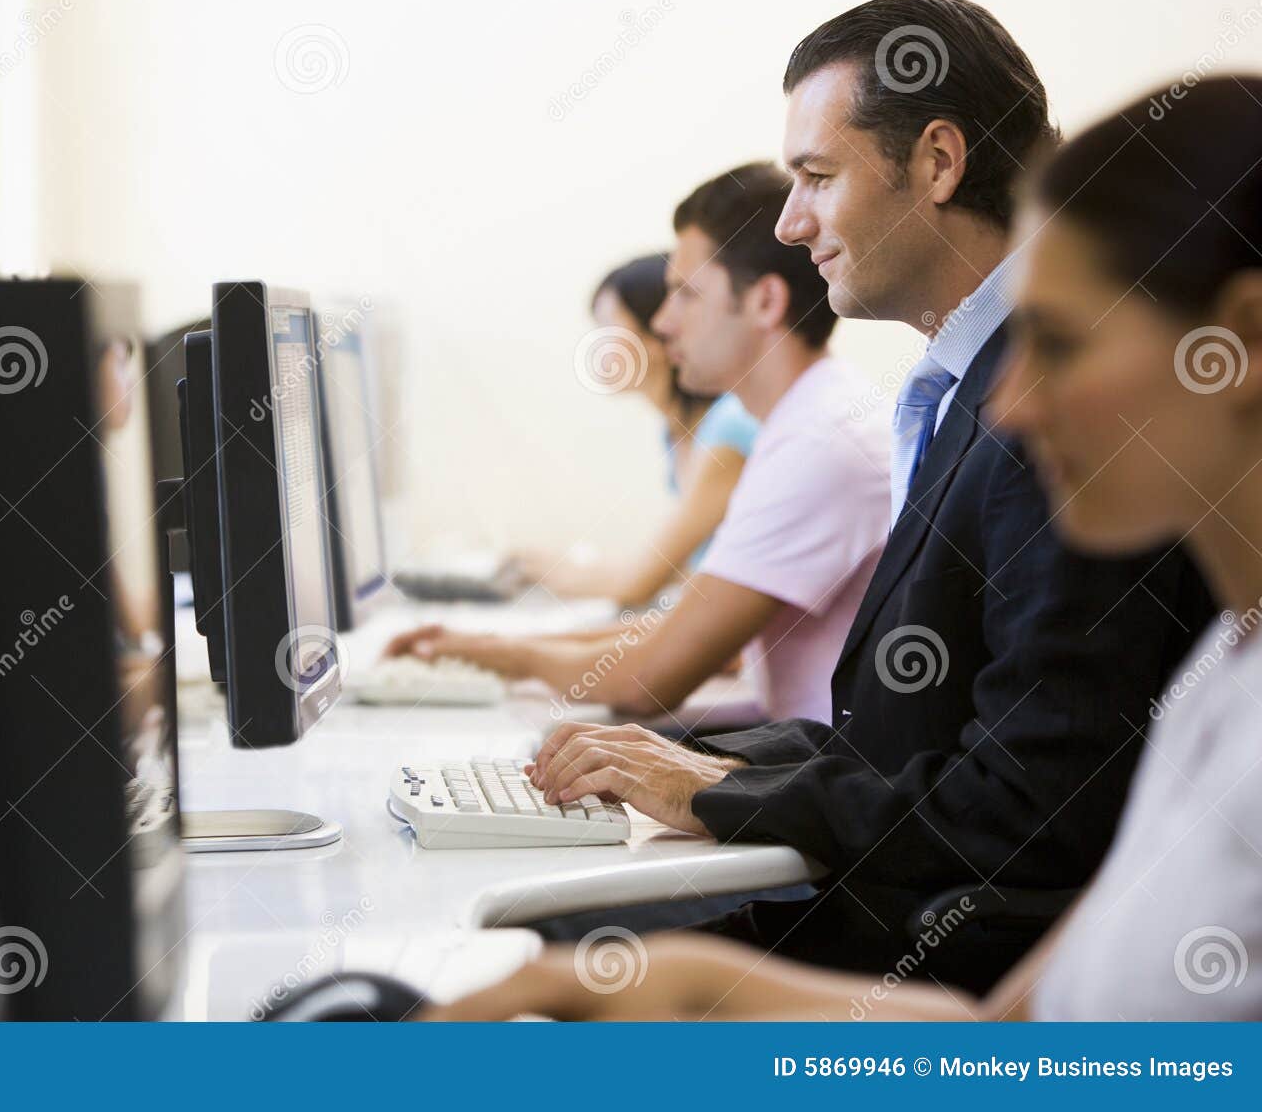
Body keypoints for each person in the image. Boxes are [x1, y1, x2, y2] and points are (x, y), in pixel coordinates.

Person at [430, 74, 1262, 1022]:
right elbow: (1024, 1037)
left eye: (1060, 343)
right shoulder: (1225, 673)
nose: (1017, 404)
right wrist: (707, 987)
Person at [388, 163, 890, 725]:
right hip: (797, 751)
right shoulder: (803, 421)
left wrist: (512, 657)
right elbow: (687, 628)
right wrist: (496, 650)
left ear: (765, 303)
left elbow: (648, 682)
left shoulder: (816, 446)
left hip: (821, 777)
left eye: (686, 294)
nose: (664, 321)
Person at [512, 254, 758, 607]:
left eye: (608, 327)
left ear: (661, 331)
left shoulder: (730, 424)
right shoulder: (677, 433)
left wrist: (544, 572)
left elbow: (638, 584)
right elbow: (682, 567)